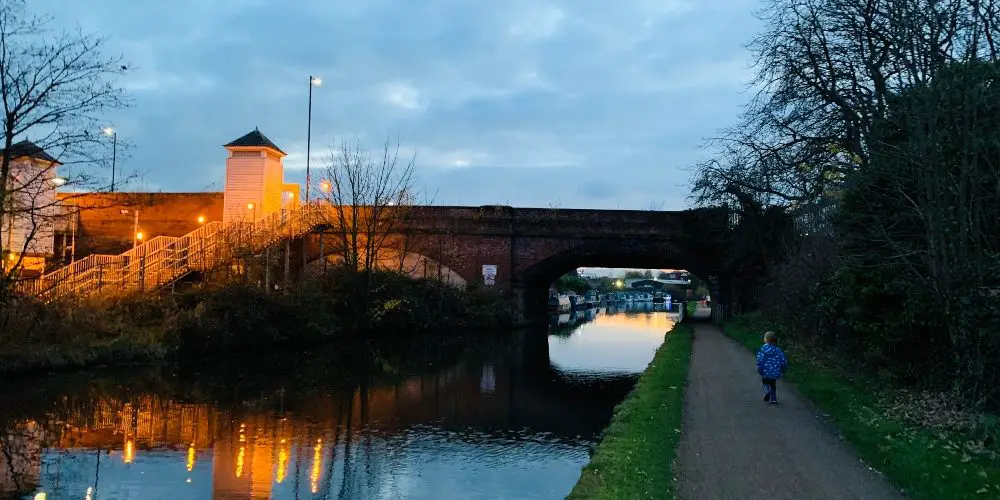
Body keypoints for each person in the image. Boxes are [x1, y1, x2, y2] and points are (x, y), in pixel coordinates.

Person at [756, 331, 788, 404]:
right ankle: (774, 399)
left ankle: (767, 391)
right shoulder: (777, 349)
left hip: (765, 370)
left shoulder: (763, 349)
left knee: (765, 382)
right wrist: (783, 368)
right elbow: (783, 359)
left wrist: (759, 367)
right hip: (775, 371)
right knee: (773, 384)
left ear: (766, 339)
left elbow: (760, 359)